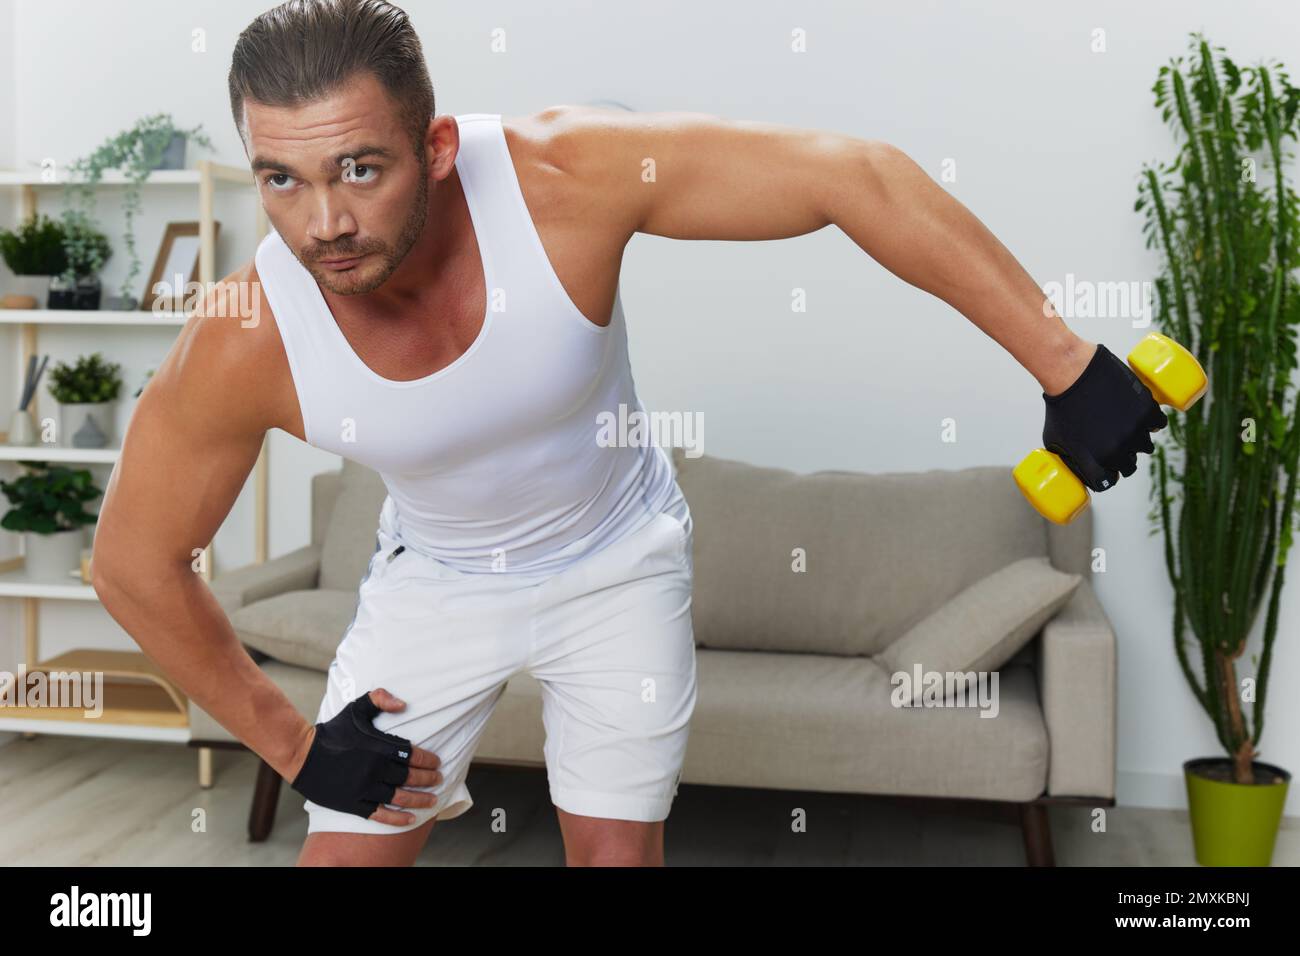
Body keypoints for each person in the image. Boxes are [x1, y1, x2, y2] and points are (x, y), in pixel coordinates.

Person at [91, 0, 1163, 867]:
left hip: (619, 559)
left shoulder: (565, 177)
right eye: (282, 178)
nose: (322, 222)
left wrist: (1063, 362)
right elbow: (133, 563)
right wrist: (291, 742)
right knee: (351, 852)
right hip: (437, 585)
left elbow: (852, 174)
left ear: (439, 146)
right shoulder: (246, 338)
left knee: (613, 851)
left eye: (359, 170)